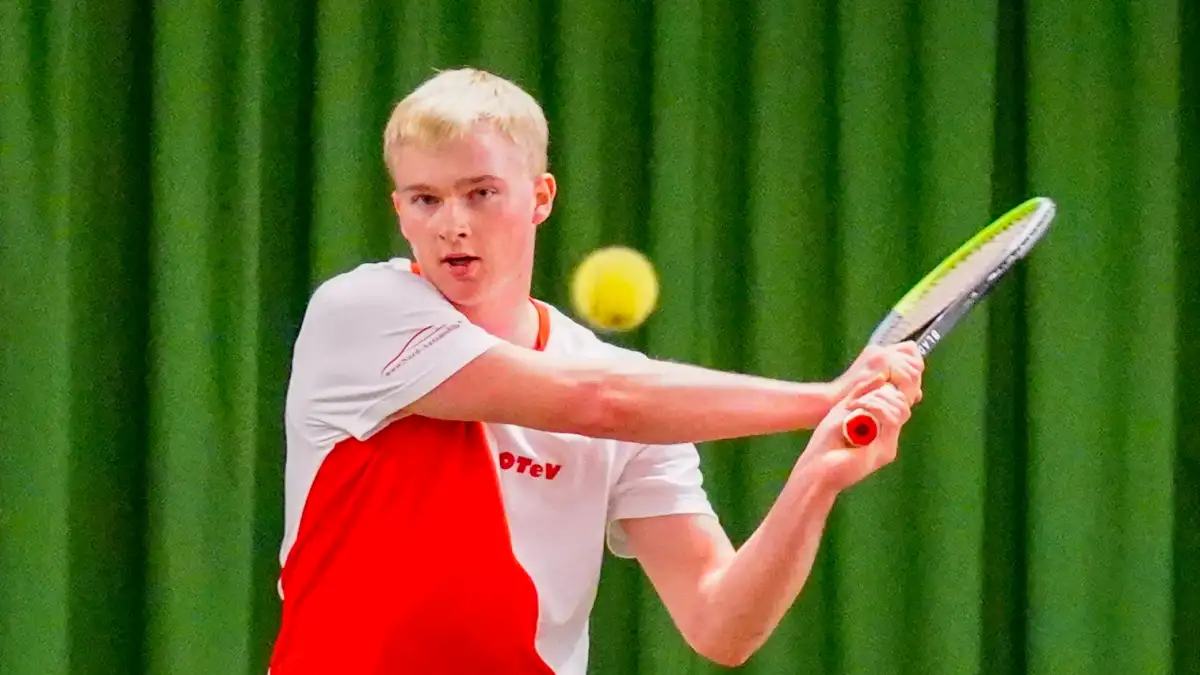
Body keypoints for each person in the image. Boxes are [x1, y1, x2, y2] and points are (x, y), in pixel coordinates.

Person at [268, 68, 924, 675]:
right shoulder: (359, 312)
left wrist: (816, 478)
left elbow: (721, 624)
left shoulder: (626, 388)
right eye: (426, 199)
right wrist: (823, 397)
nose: (452, 225)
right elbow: (599, 402)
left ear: (540, 197)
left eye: (481, 193)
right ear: (399, 210)